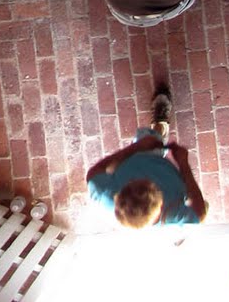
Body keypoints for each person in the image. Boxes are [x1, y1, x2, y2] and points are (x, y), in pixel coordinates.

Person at [86, 88, 207, 227]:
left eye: (132, 182)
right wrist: (183, 164)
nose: (145, 178)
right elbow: (200, 214)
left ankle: (158, 128)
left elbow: (95, 172)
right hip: (167, 172)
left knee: (149, 138)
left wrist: (136, 147)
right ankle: (160, 127)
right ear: (160, 208)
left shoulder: (104, 195)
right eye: (154, 187)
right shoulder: (171, 216)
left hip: (138, 158)